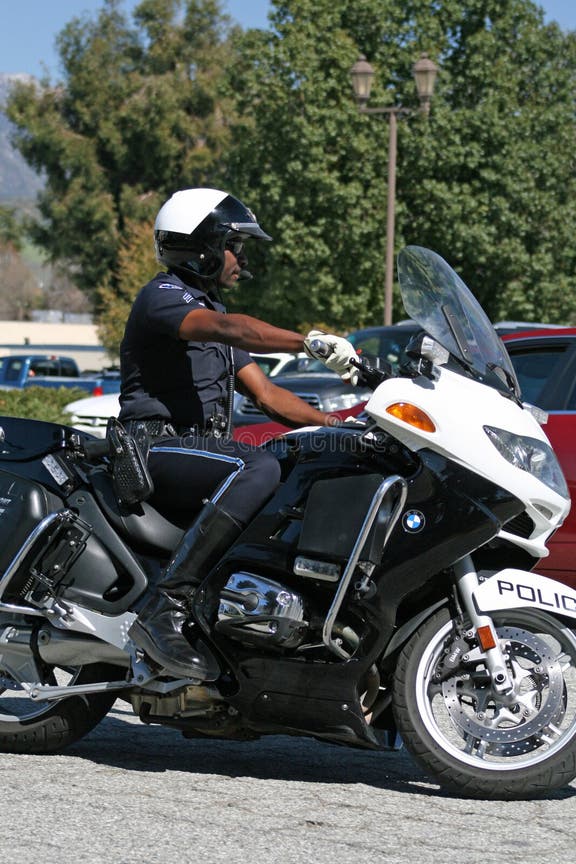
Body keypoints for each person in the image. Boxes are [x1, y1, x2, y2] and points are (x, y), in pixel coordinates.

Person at [119, 187, 358, 679]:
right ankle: (166, 604)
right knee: (257, 464)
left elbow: (269, 398)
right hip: (153, 447)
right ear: (203, 246)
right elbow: (233, 332)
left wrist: (344, 428)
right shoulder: (163, 298)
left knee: (299, 462)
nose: (240, 256)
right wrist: (308, 342)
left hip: (201, 451)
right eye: (234, 244)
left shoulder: (217, 316)